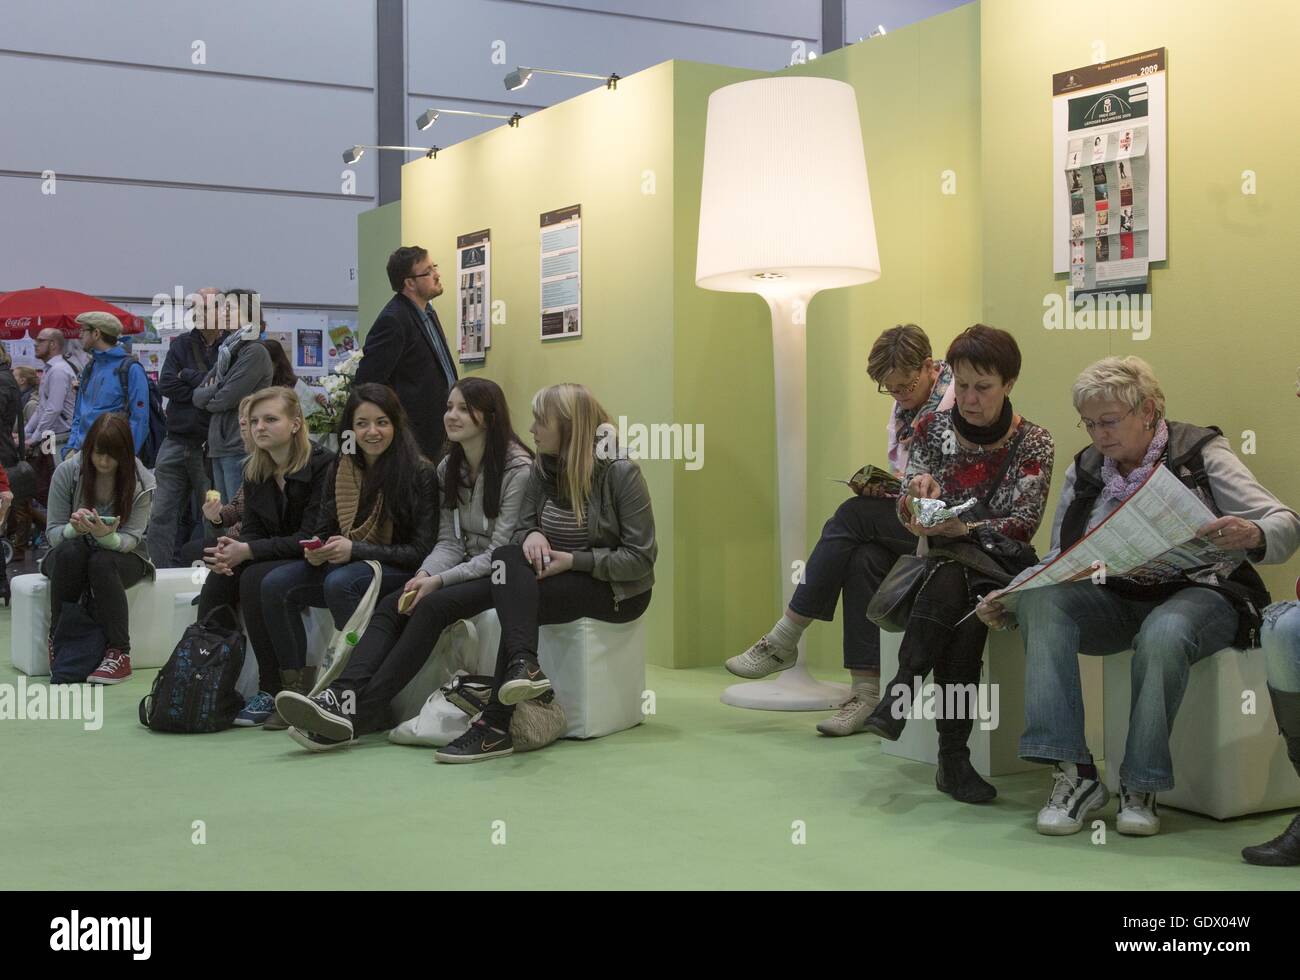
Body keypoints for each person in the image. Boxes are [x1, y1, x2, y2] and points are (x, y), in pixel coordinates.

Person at [977, 356, 1300, 836]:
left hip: (1205, 592)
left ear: (1148, 411)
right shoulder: (1087, 469)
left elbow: (1285, 522)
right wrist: (1015, 593)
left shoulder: (1200, 453)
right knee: (1042, 601)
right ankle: (1075, 774)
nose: (1098, 435)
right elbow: (1062, 557)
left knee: (1165, 630)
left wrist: (1250, 531)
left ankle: (1141, 782)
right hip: (1117, 595)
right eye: (1089, 423)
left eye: (1109, 421)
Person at [273, 377, 534, 749]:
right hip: (462, 566)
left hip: (504, 573)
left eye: (463, 408)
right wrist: (427, 573)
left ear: (489, 418)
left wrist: (437, 582)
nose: (451, 415)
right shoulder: (450, 467)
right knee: (393, 604)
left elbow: (498, 550)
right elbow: (447, 541)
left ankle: (360, 714)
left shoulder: (516, 469)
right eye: (449, 407)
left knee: (426, 606)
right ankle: (341, 696)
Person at [725, 324, 955, 736]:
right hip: (911, 517)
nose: (899, 395)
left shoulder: (957, 401)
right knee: (862, 556)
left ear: (928, 367)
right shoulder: (905, 407)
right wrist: (884, 487)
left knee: (852, 515)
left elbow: (953, 481)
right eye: (890, 389)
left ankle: (784, 637)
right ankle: (865, 694)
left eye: (905, 385)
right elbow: (908, 475)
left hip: (947, 524)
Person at [863, 324, 1055, 804]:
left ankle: (902, 691)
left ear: (1009, 385)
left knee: (957, 575)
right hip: (946, 562)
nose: (970, 399)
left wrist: (963, 529)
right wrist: (916, 501)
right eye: (962, 386)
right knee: (965, 612)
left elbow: (1023, 524)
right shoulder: (930, 429)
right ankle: (953, 760)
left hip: (999, 563)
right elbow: (909, 509)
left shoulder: (1034, 442)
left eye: (983, 388)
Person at [434, 382, 656, 764]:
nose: (532, 430)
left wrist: (576, 561)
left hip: (618, 590)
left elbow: (641, 558)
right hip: (556, 573)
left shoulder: (621, 472)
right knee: (506, 556)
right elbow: (519, 530)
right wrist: (533, 533)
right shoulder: (542, 466)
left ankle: (495, 725)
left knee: (522, 603)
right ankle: (524, 666)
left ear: (569, 428)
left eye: (541, 421)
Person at [237, 383, 439, 729]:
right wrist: (317, 550)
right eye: (361, 424)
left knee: (341, 582)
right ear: (351, 428)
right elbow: (324, 527)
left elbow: (419, 551)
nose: (371, 432)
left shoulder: (419, 472)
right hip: (347, 561)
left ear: (396, 424)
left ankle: (358, 693)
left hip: (397, 568)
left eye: (381, 422)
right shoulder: (343, 466)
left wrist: (354, 549)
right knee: (273, 584)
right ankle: (293, 689)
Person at [194, 386, 334, 709]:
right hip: (275, 555)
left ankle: (273, 688)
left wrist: (248, 551)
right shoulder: (255, 470)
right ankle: (203, 676)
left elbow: (311, 535)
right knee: (220, 574)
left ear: (296, 423)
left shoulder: (323, 465)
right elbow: (254, 531)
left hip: (316, 557)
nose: (259, 427)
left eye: (271, 419)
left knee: (254, 577)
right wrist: (232, 548)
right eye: (255, 421)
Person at [42, 413, 155, 684]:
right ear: (88, 448)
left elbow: (132, 539)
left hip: (122, 557)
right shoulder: (67, 472)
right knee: (72, 552)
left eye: (112, 455)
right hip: (71, 553)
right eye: (98, 453)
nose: (103, 462)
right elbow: (52, 533)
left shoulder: (142, 481)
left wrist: (107, 538)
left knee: (102, 561)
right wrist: (74, 529)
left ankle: (120, 653)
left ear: (125, 454)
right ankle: (60, 638)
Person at [354, 246, 458, 461]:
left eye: (434, 267)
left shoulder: (427, 312)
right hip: (414, 437)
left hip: (440, 428)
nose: (437, 275)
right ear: (409, 283)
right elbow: (367, 382)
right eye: (428, 271)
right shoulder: (393, 321)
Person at [149, 288, 226, 568]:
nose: (198, 314)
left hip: (210, 447)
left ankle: (211, 578)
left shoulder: (233, 346)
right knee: (160, 514)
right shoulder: (181, 343)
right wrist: (203, 386)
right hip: (175, 442)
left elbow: (224, 389)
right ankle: (157, 573)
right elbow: (166, 383)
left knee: (214, 516)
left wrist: (188, 377)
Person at [192, 289, 274, 503]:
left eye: (230, 308)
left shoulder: (255, 351)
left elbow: (223, 400)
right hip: (218, 445)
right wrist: (217, 386)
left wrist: (214, 389)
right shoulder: (227, 351)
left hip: (240, 444)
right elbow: (197, 396)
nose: (224, 313)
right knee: (222, 517)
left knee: (239, 518)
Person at [63, 312, 151, 460]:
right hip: (82, 455)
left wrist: (127, 458)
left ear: (96, 333)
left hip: (112, 458)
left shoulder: (131, 369)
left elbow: (140, 420)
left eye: (83, 331)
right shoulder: (90, 367)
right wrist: (70, 448)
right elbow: (79, 414)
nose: (80, 336)